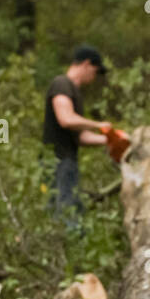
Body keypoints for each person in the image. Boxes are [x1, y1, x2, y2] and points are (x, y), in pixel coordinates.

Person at [42, 45, 111, 223]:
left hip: (67, 161)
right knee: (67, 213)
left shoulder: (74, 92)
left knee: (71, 209)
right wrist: (99, 125)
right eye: (95, 71)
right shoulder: (62, 84)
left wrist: (110, 139)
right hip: (58, 162)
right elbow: (66, 119)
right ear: (87, 64)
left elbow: (80, 136)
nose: (94, 77)